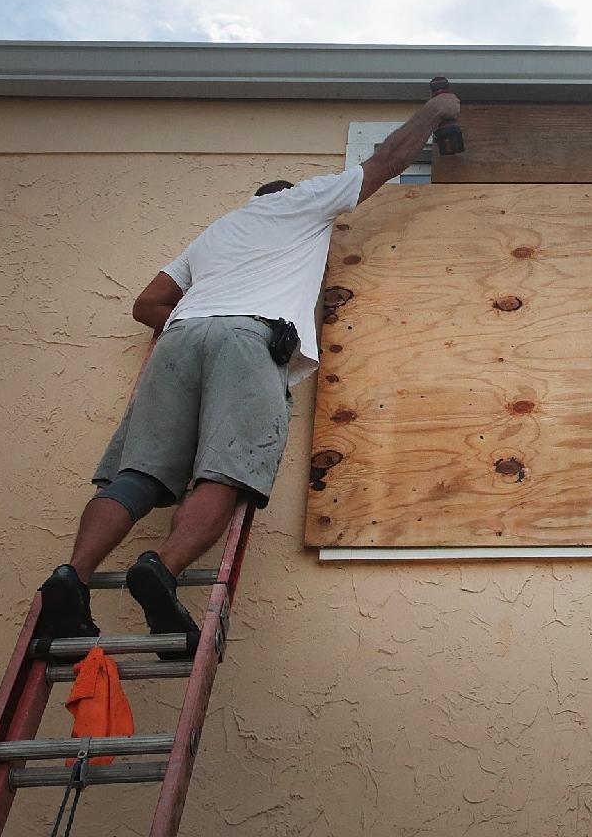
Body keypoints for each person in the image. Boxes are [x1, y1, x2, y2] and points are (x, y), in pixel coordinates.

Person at [36, 89, 463, 647]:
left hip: (181, 337)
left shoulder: (218, 231)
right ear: (290, 197)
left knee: (136, 475)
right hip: (248, 340)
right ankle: (160, 569)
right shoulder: (303, 203)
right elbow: (386, 161)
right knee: (227, 471)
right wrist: (437, 112)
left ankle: (75, 574)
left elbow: (147, 305)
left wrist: (201, 319)